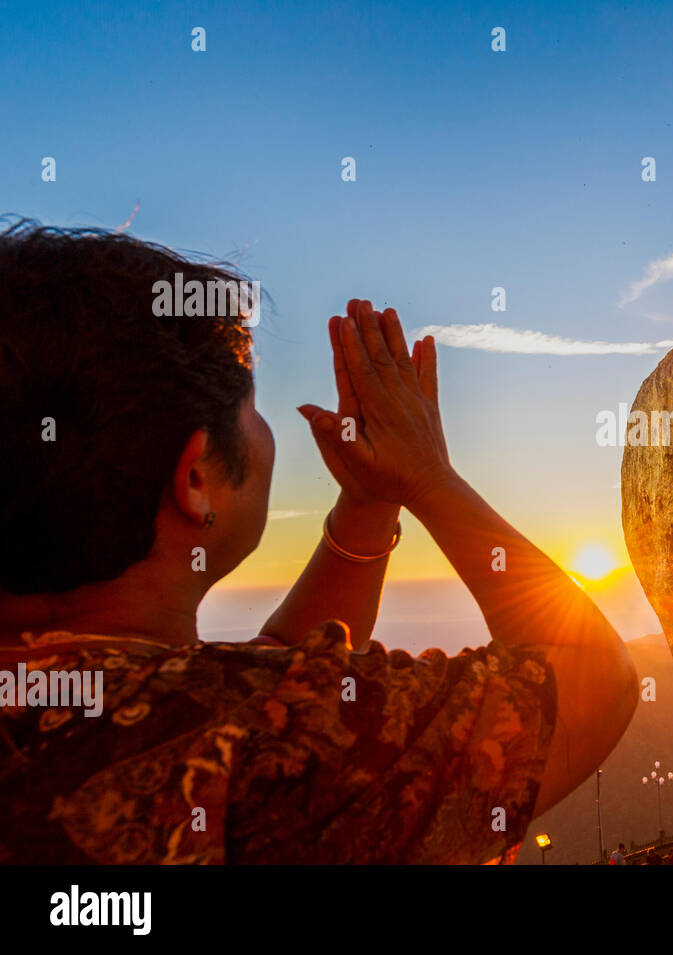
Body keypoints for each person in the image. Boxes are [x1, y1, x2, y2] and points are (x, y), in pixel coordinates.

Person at [0, 222, 639, 864]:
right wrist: (427, 476)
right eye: (250, 409)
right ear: (196, 478)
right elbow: (591, 687)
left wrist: (367, 505)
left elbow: (272, 667)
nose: (262, 427)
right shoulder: (234, 744)